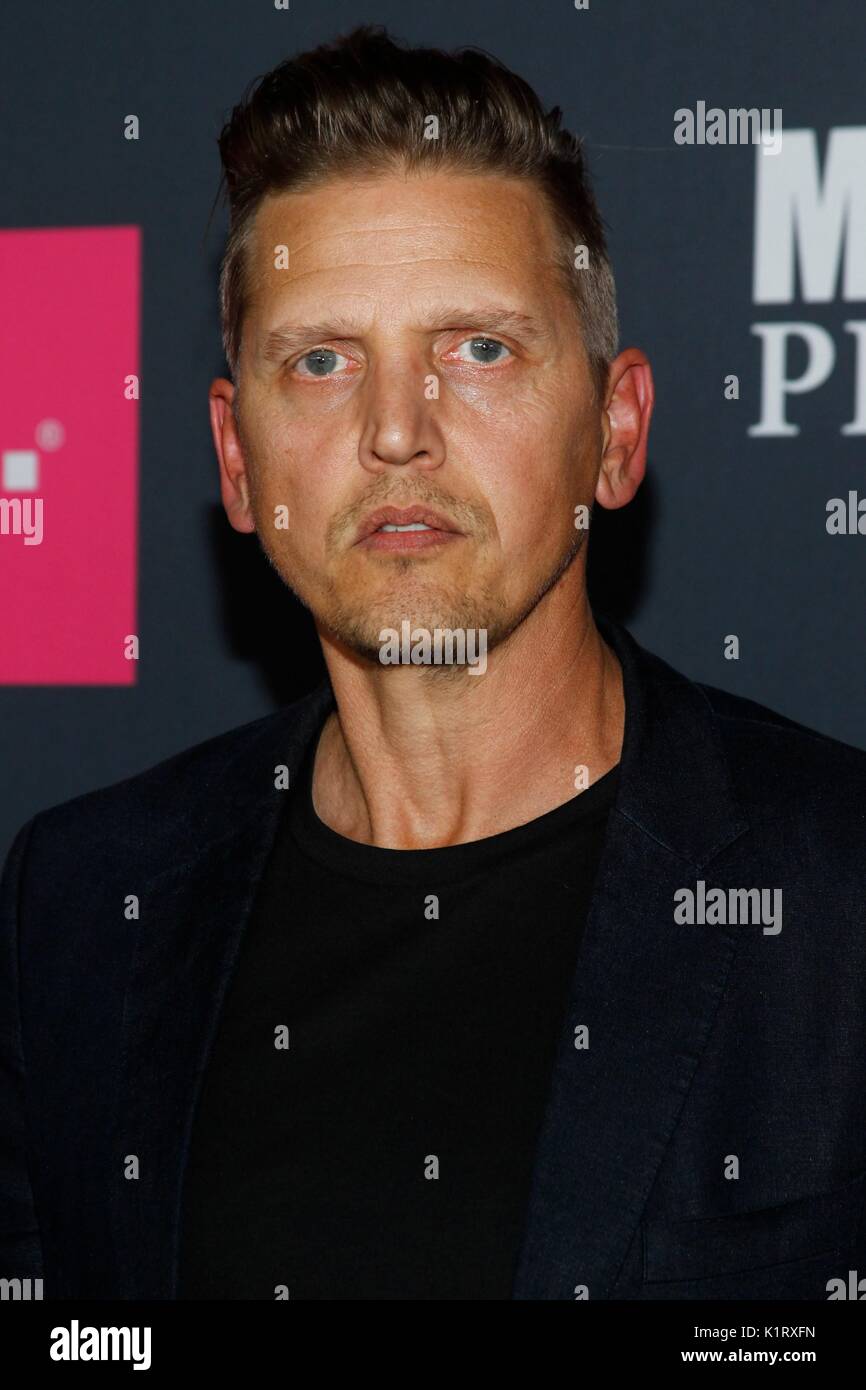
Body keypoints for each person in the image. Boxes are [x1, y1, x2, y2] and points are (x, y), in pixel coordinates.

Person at [2, 25, 865, 1302]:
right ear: (237, 462)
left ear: (614, 434)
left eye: (478, 350)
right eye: (322, 361)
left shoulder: (838, 896)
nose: (396, 431)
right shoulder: (80, 905)